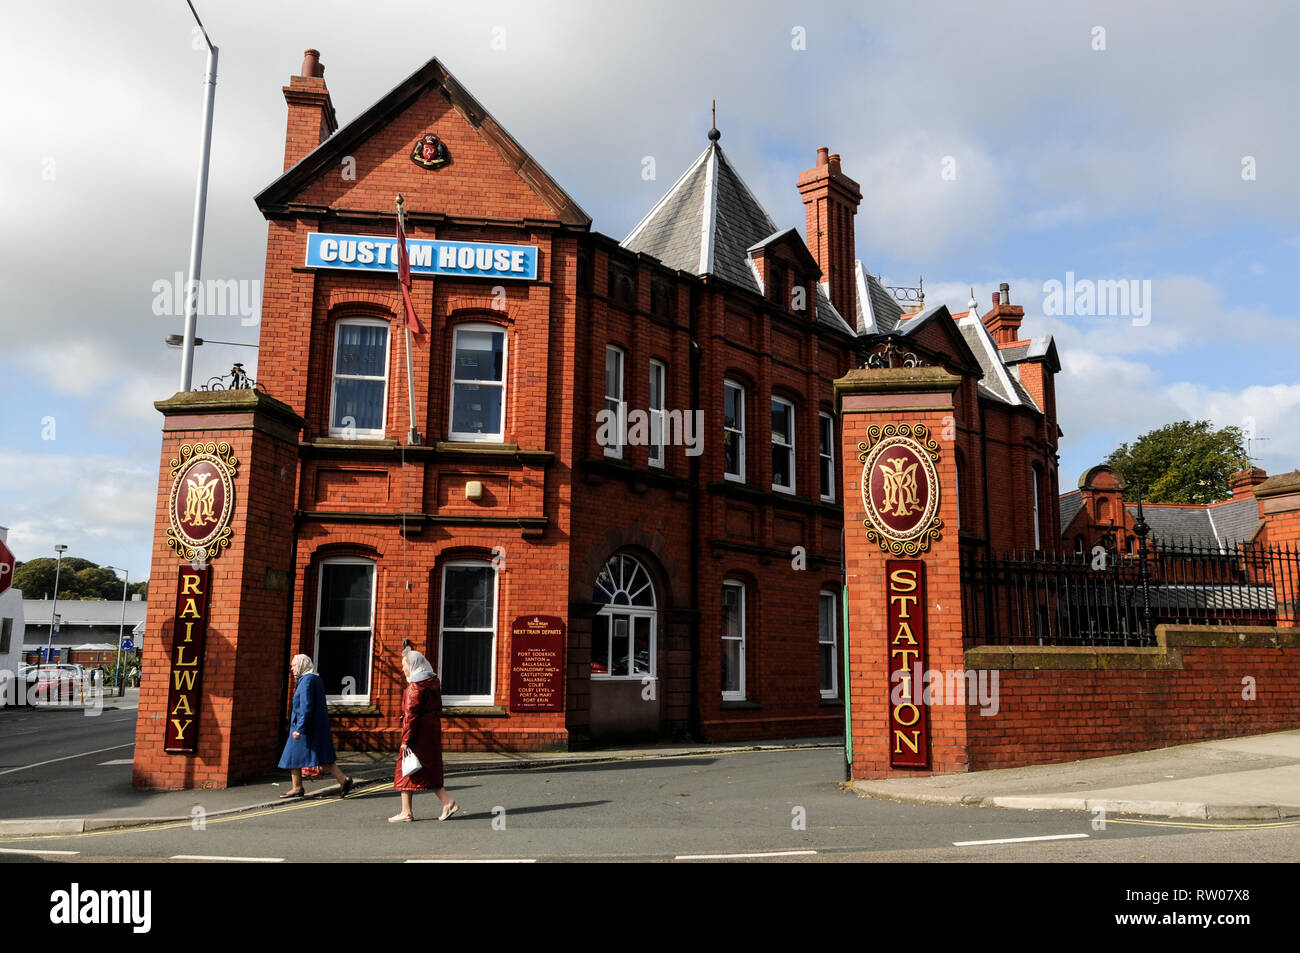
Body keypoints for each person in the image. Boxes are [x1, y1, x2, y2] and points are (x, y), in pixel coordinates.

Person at [390, 645, 458, 822]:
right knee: (427, 770)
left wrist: (405, 739)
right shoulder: (432, 682)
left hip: (417, 735)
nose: (402, 668)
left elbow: (411, 716)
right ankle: (445, 802)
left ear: (412, 665)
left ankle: (407, 812)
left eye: (404, 664)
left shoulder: (415, 687)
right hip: (431, 732)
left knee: (404, 769)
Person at [277, 654, 353, 798]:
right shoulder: (314, 678)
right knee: (321, 757)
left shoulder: (307, 681)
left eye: (294, 665)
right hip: (314, 727)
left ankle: (297, 787)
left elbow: (306, 707)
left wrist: (300, 728)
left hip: (305, 727)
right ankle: (343, 780)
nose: (292, 668)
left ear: (302, 665)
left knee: (292, 755)